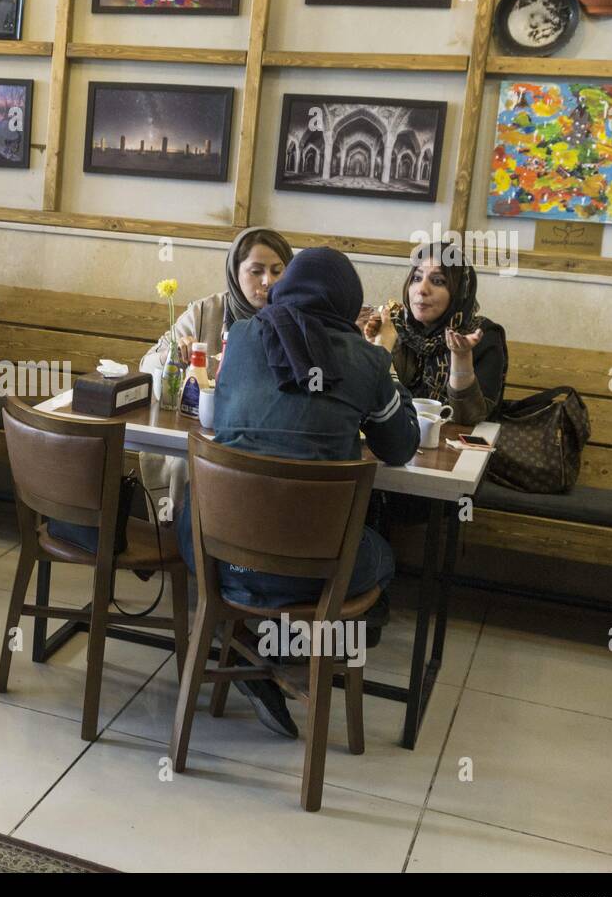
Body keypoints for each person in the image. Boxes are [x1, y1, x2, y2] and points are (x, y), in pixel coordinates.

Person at [177, 247, 420, 738]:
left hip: (216, 555)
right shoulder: (367, 361)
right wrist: (386, 361)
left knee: (200, 516)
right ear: (348, 303)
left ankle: (254, 648)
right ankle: (290, 659)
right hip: (312, 576)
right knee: (381, 557)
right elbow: (401, 446)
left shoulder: (242, 337)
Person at [138, 227, 293, 513]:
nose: (267, 281)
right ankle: (190, 537)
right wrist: (173, 355)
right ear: (235, 273)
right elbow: (147, 366)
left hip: (266, 444)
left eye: (277, 270)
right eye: (256, 271)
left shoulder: (295, 319)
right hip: (202, 437)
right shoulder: (206, 311)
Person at [364, 241, 508, 424]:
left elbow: (469, 419)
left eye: (438, 281)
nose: (422, 290)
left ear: (460, 291)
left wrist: (461, 356)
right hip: (398, 441)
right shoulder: (395, 325)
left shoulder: (482, 336)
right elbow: (372, 401)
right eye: (416, 278)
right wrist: (377, 346)